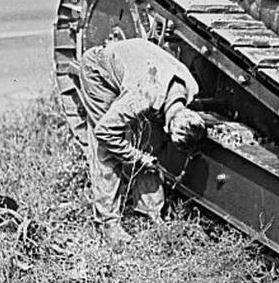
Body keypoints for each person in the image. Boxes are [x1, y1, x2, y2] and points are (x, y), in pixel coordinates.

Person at [78, 36, 207, 250]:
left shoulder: (189, 88)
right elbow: (105, 132)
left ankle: (151, 212)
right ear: (168, 127)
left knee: (147, 139)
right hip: (98, 71)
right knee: (108, 151)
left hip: (138, 67)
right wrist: (137, 157)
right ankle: (108, 223)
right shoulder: (144, 95)